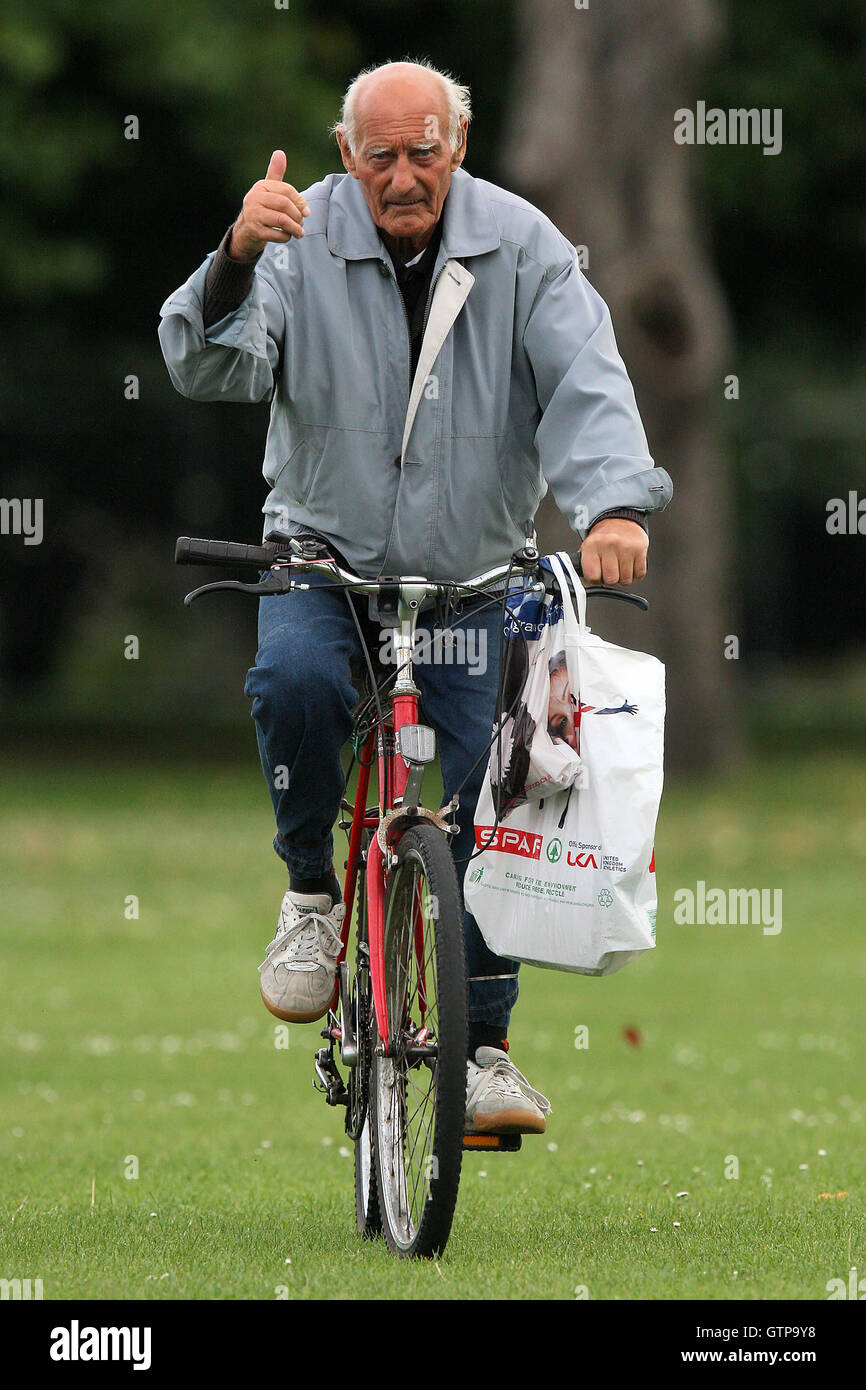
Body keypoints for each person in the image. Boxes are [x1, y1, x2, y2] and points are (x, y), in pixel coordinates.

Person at [158, 59, 672, 1136]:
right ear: (347, 157)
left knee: (505, 787)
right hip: (323, 557)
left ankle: (481, 1049)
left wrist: (613, 507)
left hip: (473, 575)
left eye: (423, 149)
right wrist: (237, 255)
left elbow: (585, 377)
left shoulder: (523, 244)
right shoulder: (296, 238)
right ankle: (310, 889)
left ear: (460, 144)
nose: (403, 174)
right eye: (380, 154)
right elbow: (211, 369)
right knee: (292, 681)